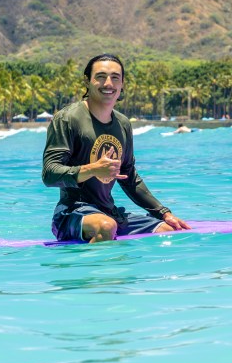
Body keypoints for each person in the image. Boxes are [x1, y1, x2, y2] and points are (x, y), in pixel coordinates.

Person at [43, 54, 190, 242]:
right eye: (101, 76)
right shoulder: (68, 119)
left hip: (109, 212)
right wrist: (93, 169)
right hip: (72, 212)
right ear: (87, 81)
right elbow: (49, 174)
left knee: (169, 230)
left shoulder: (122, 124)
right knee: (106, 226)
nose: (108, 83)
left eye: (115, 78)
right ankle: (93, 271)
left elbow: (129, 177)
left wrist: (163, 212)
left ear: (122, 84)